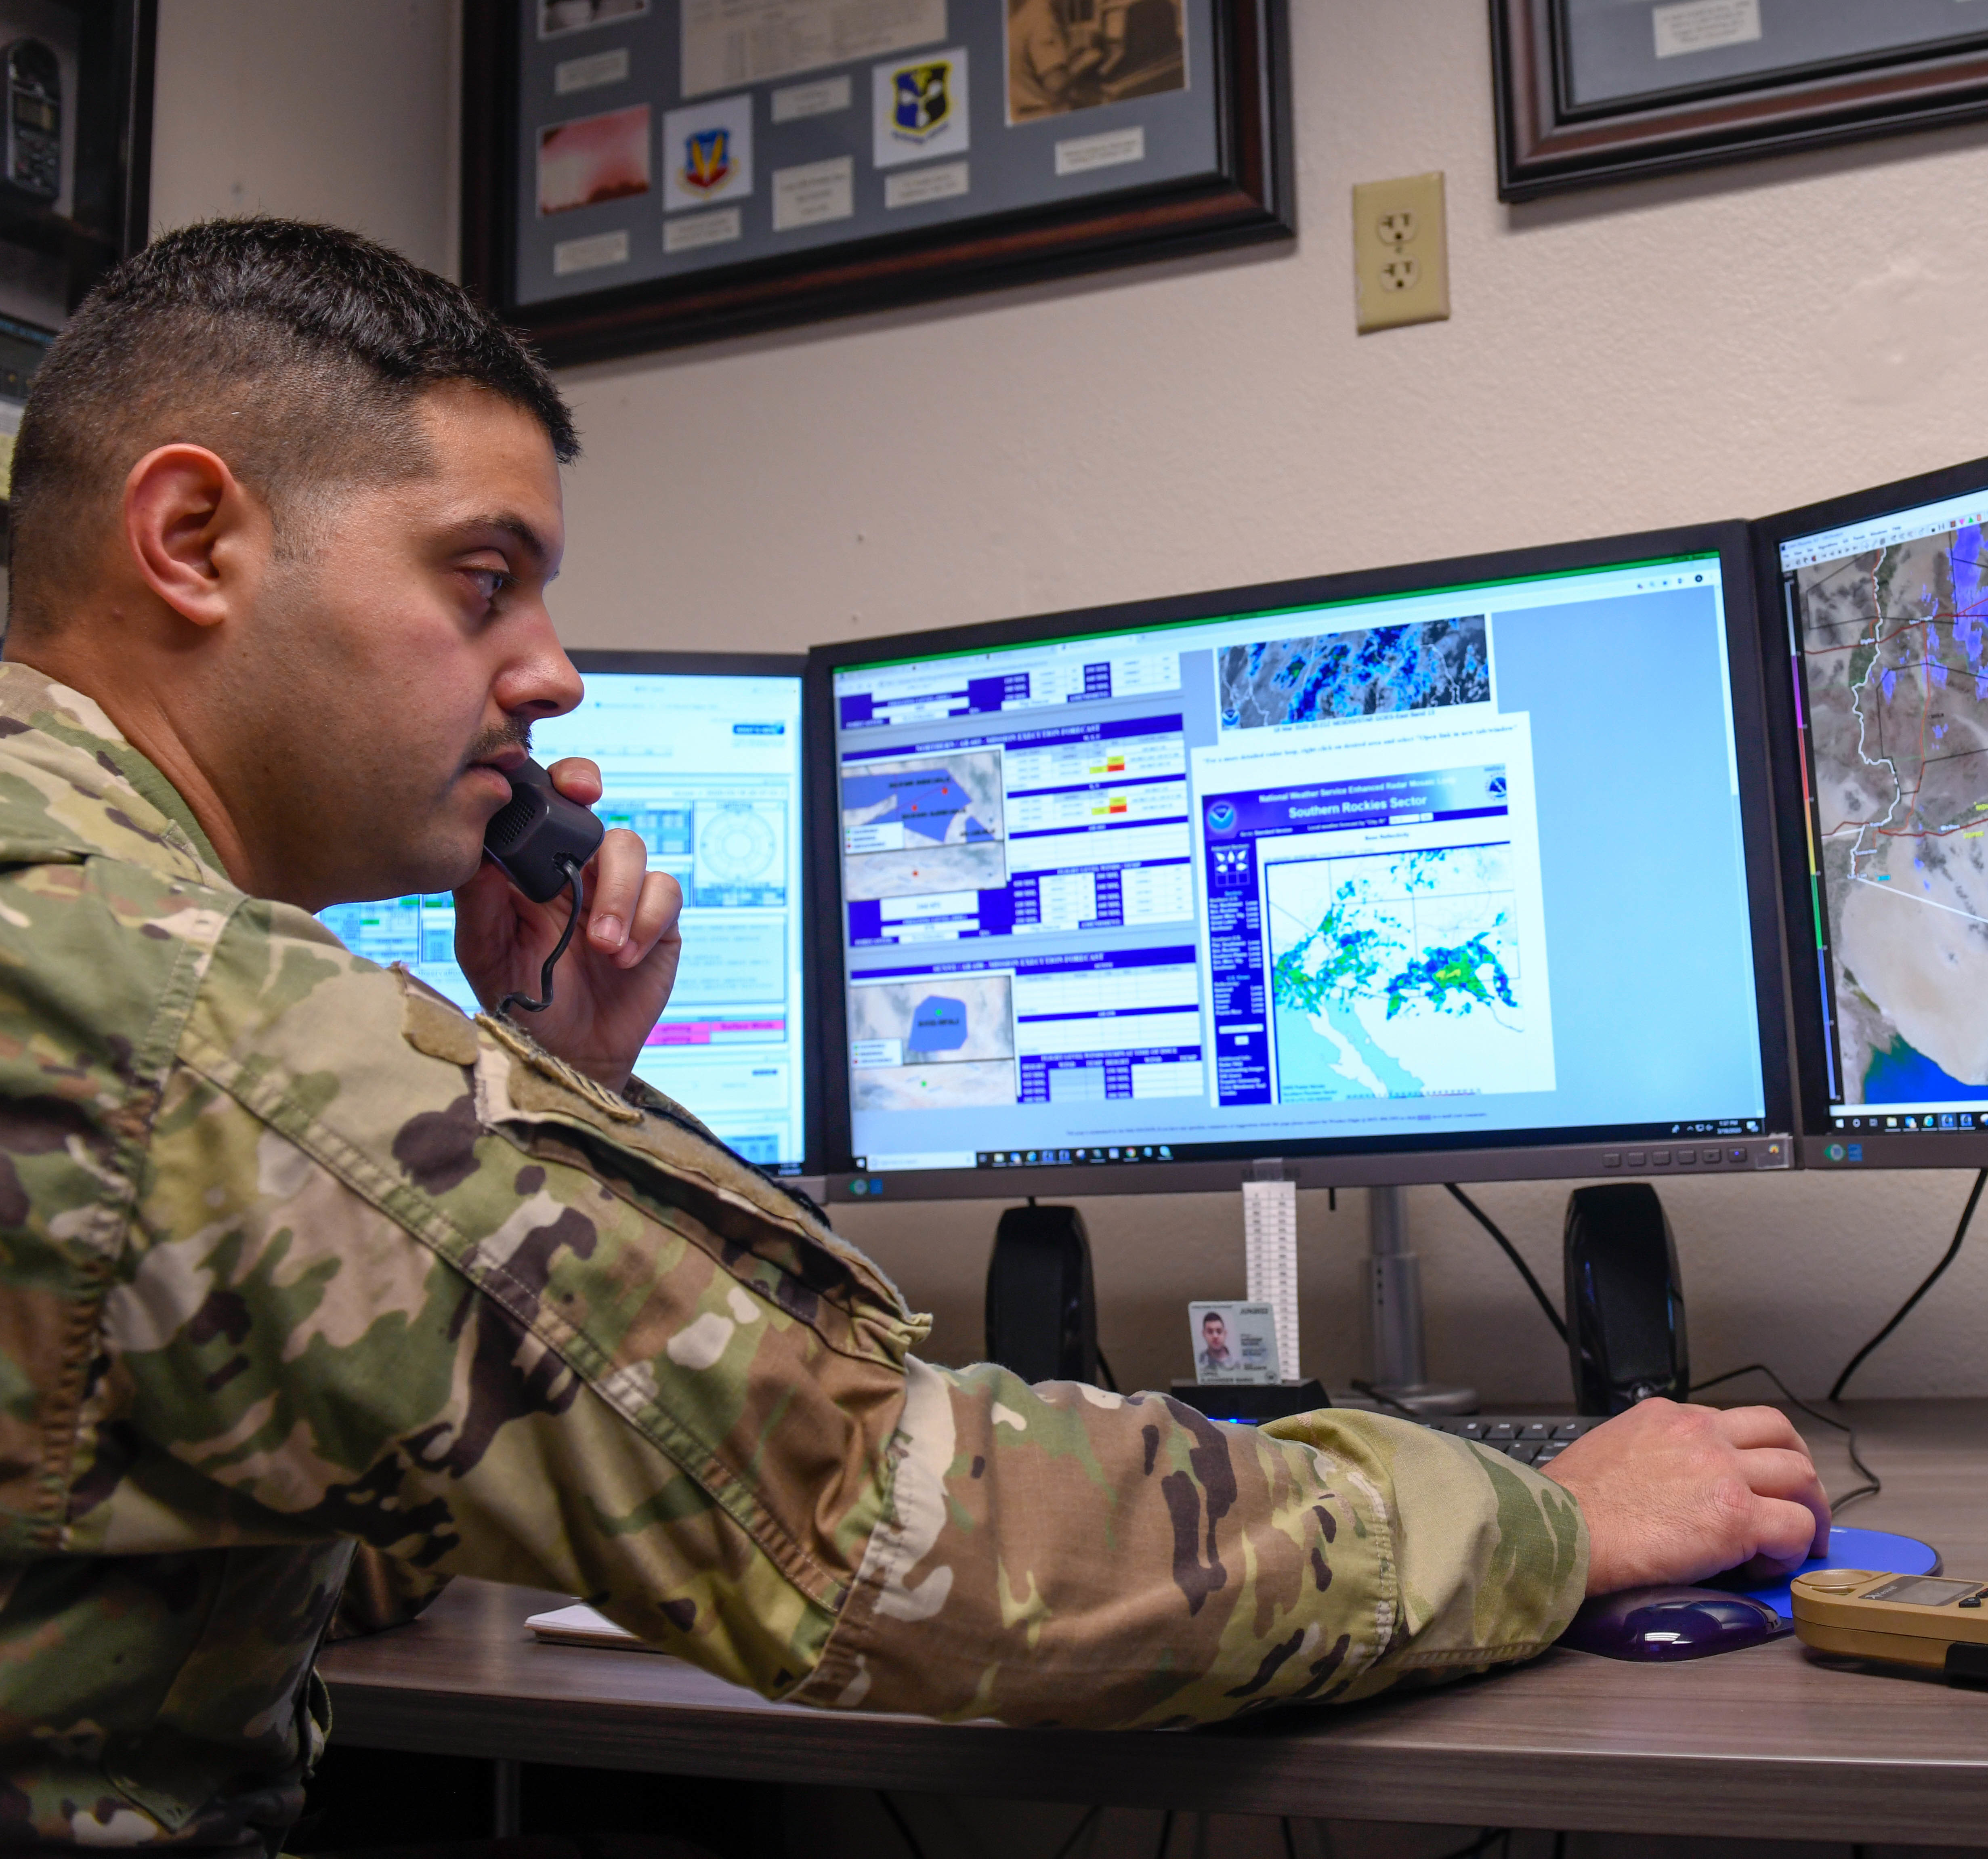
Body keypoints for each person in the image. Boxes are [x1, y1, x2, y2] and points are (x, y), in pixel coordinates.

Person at [0, 220, 1830, 1853]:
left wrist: (561, 1087)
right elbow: (892, 1518)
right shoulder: (204, 1027)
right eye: (485, 577)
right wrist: (1551, 1519)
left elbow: (314, 1511)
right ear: (193, 538)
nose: (554, 670)